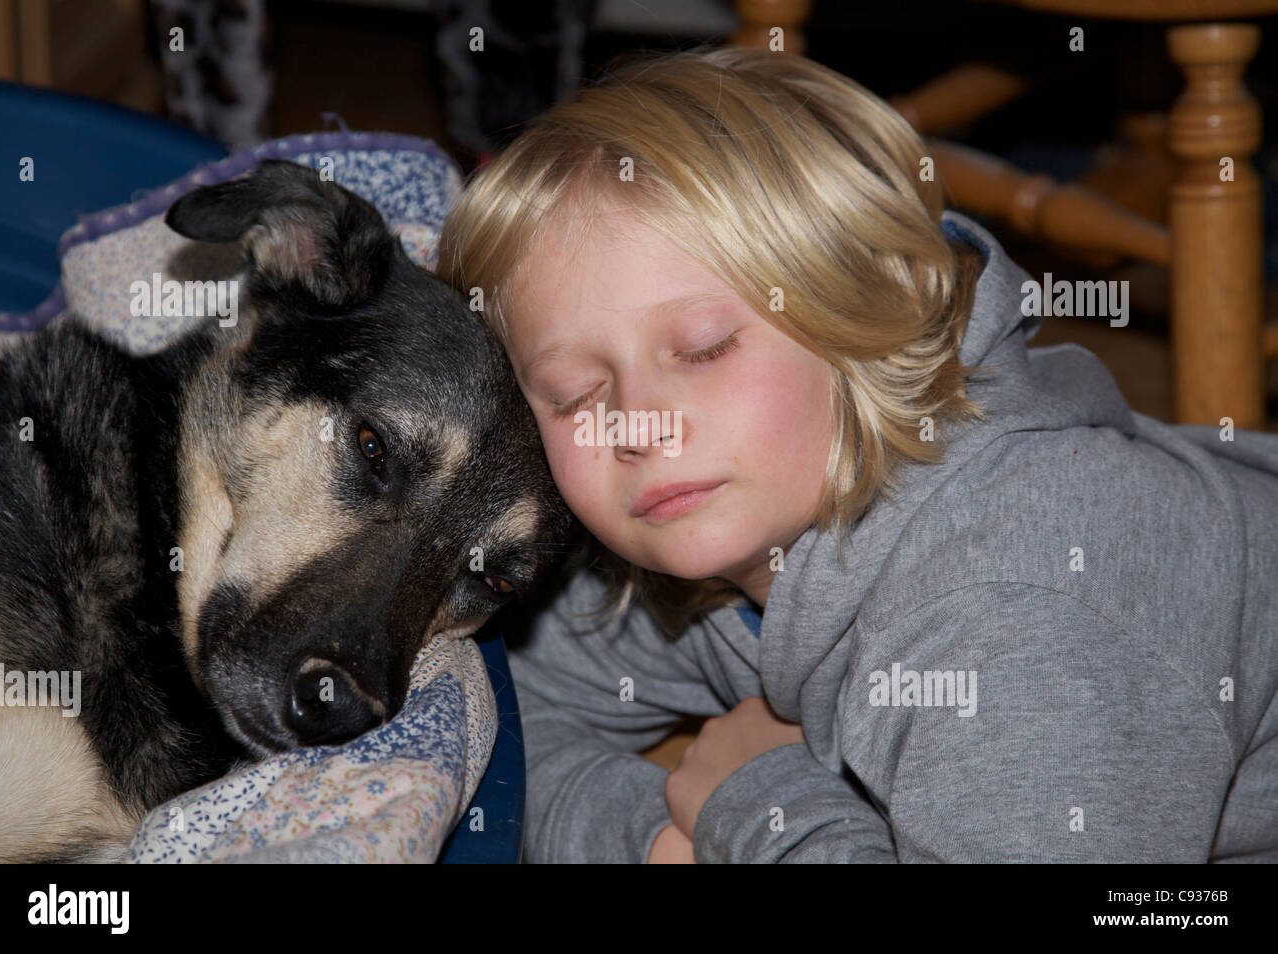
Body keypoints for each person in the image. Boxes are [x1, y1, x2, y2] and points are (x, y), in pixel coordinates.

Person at [434, 45, 1278, 863]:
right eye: (576, 395)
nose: (638, 427)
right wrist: (653, 837)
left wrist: (764, 806)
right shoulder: (727, 524)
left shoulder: (1013, 612)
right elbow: (490, 722)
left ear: (878, 311)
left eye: (701, 349)